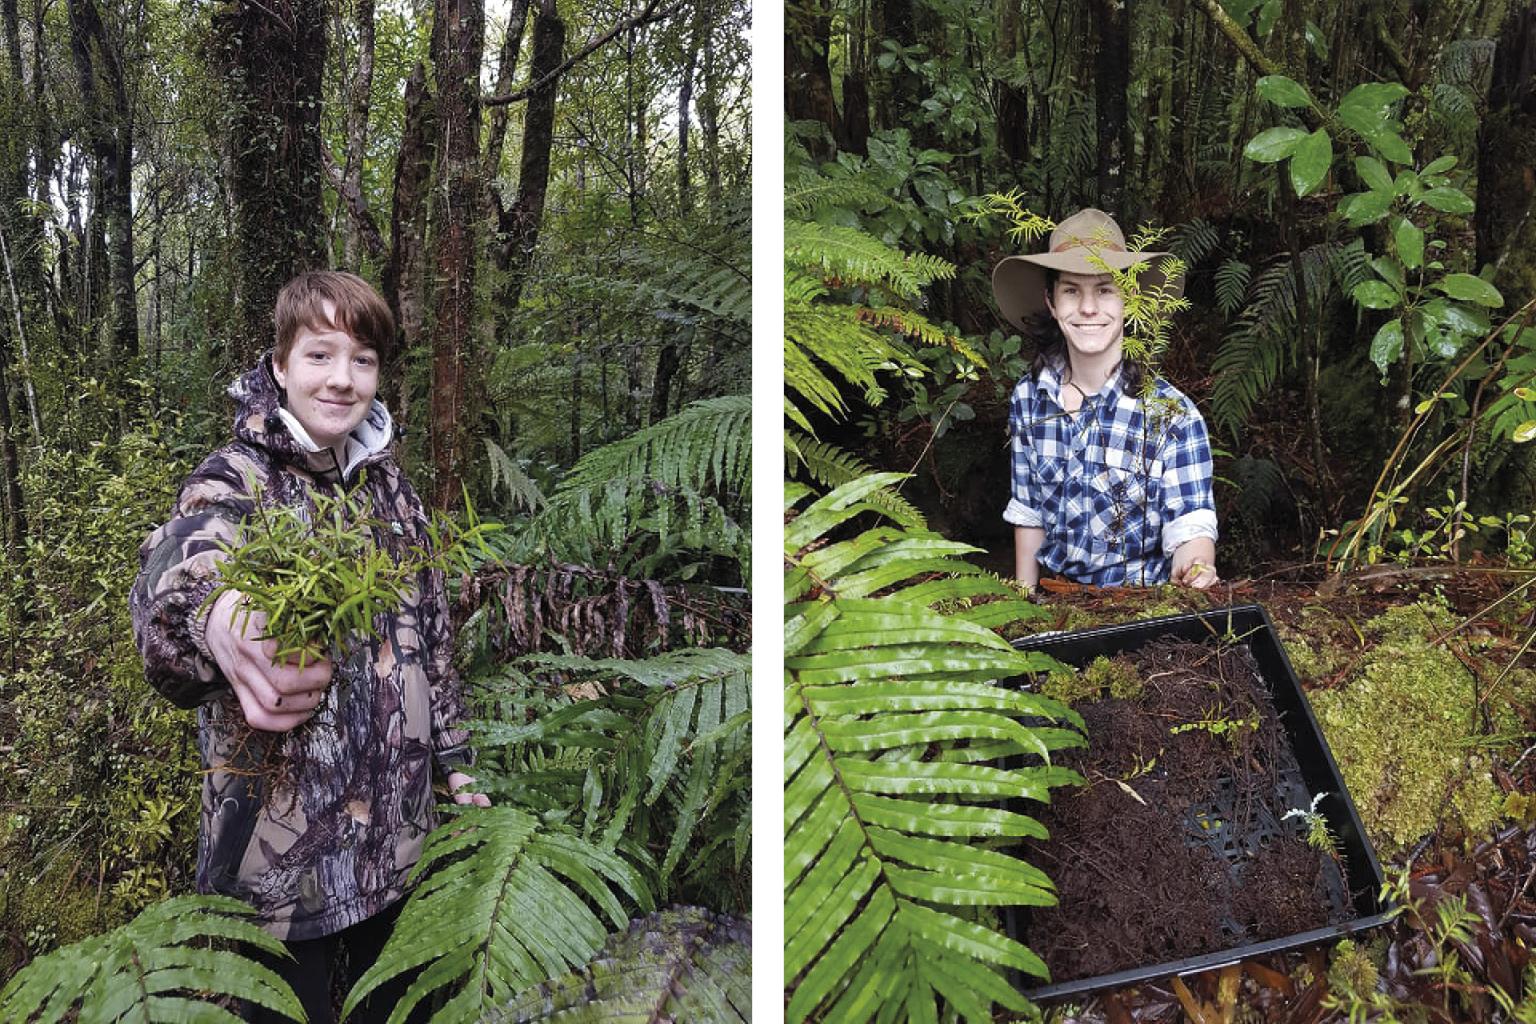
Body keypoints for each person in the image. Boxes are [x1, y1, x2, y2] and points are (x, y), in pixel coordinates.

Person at [130, 270, 490, 1024]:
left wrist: (456, 765)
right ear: (281, 364)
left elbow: (431, 637)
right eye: (320, 355)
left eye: (362, 359)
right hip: (276, 866)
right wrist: (214, 617)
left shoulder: (395, 494)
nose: (342, 378)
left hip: (398, 846)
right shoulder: (238, 477)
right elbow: (179, 566)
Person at [992, 208, 1220, 590]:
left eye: (1105, 288)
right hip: (1057, 598)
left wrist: (1195, 569)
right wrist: (1024, 603)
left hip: (1141, 604)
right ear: (1050, 301)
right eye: (1070, 290)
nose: (1087, 308)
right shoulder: (1029, 397)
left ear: (1129, 297)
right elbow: (1028, 512)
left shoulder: (1172, 414)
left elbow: (1190, 523)